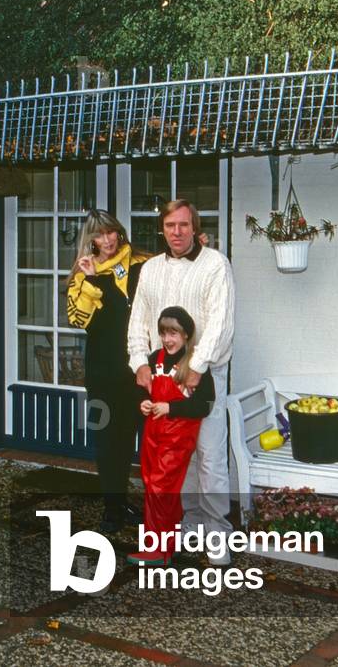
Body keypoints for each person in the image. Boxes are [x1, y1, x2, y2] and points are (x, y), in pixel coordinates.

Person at [126, 199, 235, 565]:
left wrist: (197, 365)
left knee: (209, 456)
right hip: (162, 375)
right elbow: (138, 320)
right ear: (162, 229)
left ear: (195, 227)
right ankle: (188, 523)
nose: (177, 232)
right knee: (173, 458)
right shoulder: (150, 269)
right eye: (170, 225)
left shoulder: (215, 265)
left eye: (184, 225)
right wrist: (139, 362)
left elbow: (220, 321)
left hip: (205, 374)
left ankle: (217, 532)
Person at [67, 209, 152, 533]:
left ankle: (159, 510)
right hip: (103, 373)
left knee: (147, 441)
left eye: (111, 231)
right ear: (90, 240)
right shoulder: (82, 275)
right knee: (109, 443)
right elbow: (79, 320)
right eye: (99, 235)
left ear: (120, 231)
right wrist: (91, 281)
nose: (107, 240)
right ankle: (113, 509)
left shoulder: (143, 263)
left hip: (140, 368)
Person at [127, 307, 214, 565]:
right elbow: (140, 390)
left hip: (178, 437)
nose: (167, 339)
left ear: (186, 334)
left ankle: (157, 550)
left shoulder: (195, 364)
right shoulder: (154, 359)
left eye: (173, 333)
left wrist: (171, 408)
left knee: (160, 487)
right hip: (153, 433)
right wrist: (143, 402)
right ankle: (169, 542)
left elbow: (205, 405)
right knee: (151, 483)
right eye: (164, 333)